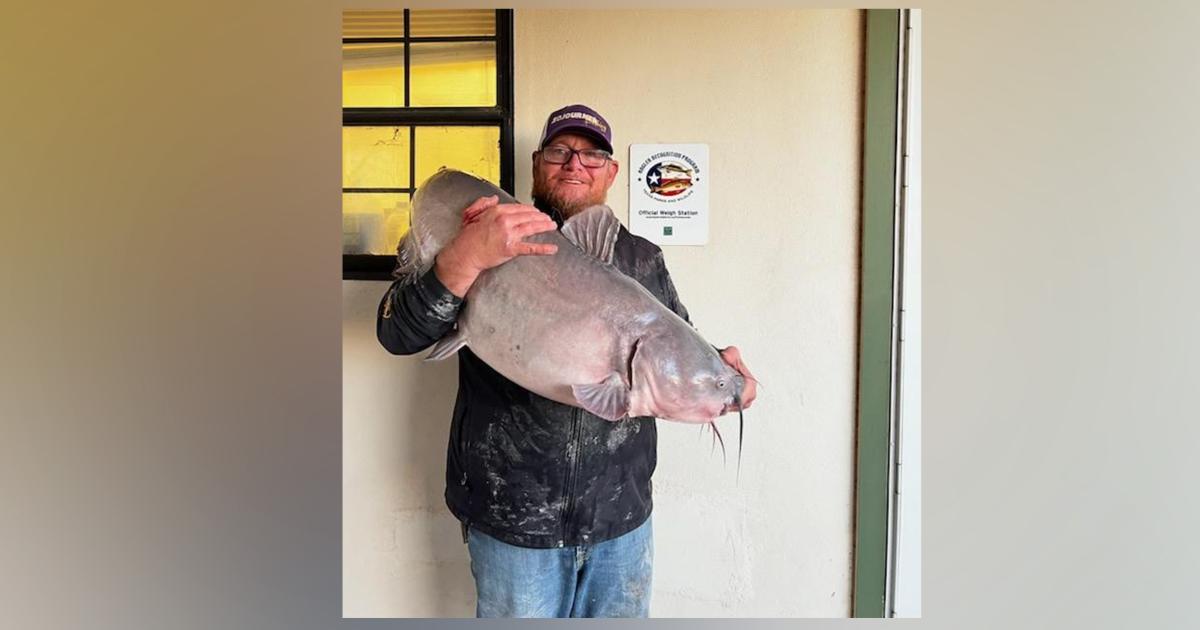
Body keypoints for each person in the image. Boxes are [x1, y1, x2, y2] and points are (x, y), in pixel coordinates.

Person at [376, 104, 756, 618]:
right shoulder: (478, 229)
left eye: (592, 154)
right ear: (536, 165)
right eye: (559, 151)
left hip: (620, 524)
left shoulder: (642, 258)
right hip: (514, 523)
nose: (575, 164)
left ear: (611, 172)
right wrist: (464, 256)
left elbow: (678, 348)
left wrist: (724, 373)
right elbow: (397, 332)